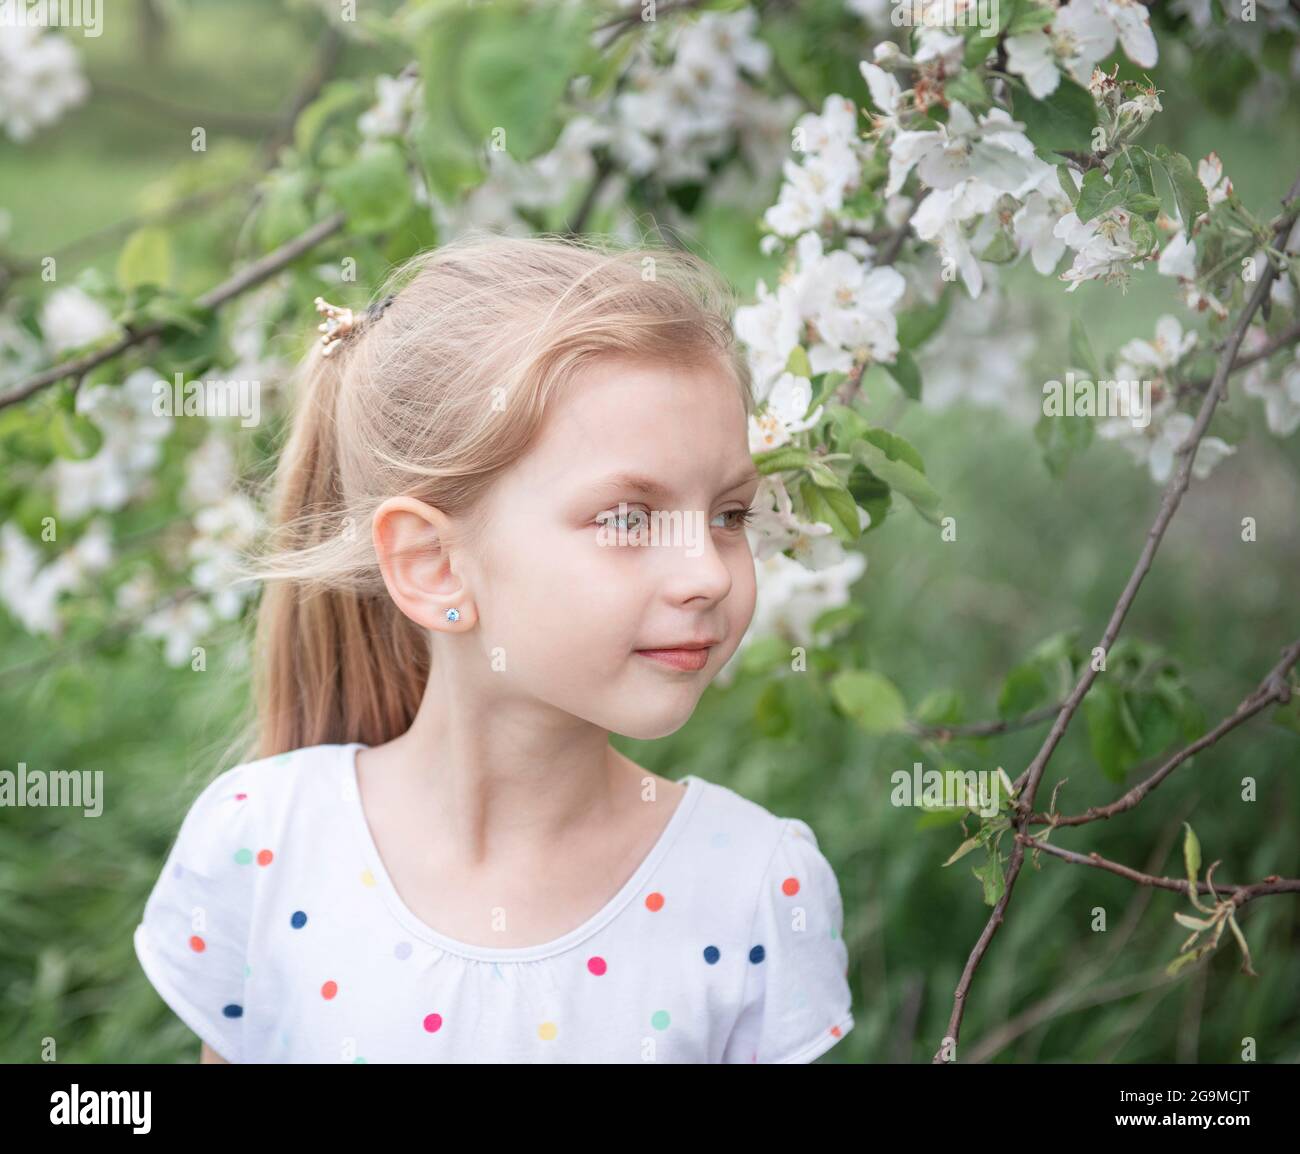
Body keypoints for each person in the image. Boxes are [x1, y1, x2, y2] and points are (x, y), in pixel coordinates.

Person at [132, 230, 855, 1064]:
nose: (708, 575)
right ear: (434, 565)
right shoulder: (259, 844)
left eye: (728, 515)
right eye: (627, 519)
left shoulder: (758, 890)